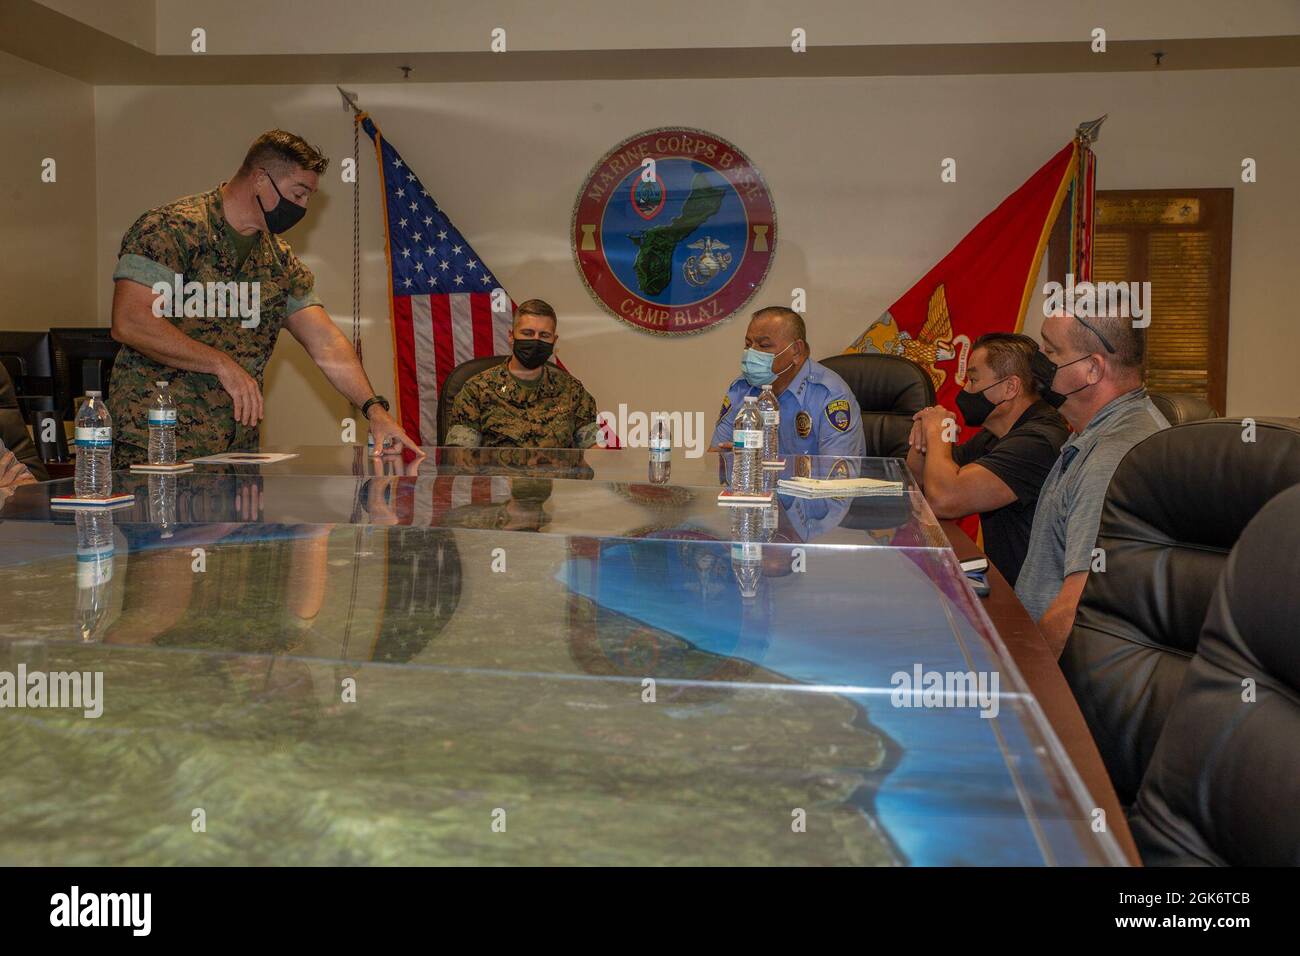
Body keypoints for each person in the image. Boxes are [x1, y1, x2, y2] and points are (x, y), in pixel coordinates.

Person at [107, 129, 420, 467]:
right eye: (298, 194)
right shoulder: (170, 230)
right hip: (157, 446)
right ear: (259, 179)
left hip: (236, 453)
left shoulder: (278, 260)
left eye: (308, 198)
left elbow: (325, 342)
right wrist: (221, 363)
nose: (302, 208)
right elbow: (130, 321)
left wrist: (374, 409)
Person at [1015, 309, 1169, 654]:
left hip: (1063, 681)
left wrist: (1017, 687)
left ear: (1093, 369)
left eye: (1050, 352)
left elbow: (1076, 609)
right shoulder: (1096, 432)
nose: (1038, 362)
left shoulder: (1114, 455)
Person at [906, 333, 1069, 585]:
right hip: (1005, 584)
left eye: (973, 380)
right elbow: (920, 483)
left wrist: (938, 432)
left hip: (1031, 601)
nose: (965, 390)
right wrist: (923, 435)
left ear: (1010, 387)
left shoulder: (1038, 442)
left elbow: (945, 499)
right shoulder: (995, 435)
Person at [710, 307, 865, 458]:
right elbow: (715, 460)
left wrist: (761, 465)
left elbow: (836, 475)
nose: (752, 352)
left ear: (796, 351)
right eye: (748, 344)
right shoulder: (742, 388)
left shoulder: (830, 395)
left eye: (764, 345)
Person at [445, 299, 600, 448]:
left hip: (556, 476)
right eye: (528, 333)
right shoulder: (476, 391)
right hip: (498, 475)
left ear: (554, 340)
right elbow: (460, 460)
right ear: (511, 336)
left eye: (544, 335)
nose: (536, 341)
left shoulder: (572, 390)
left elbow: (597, 451)